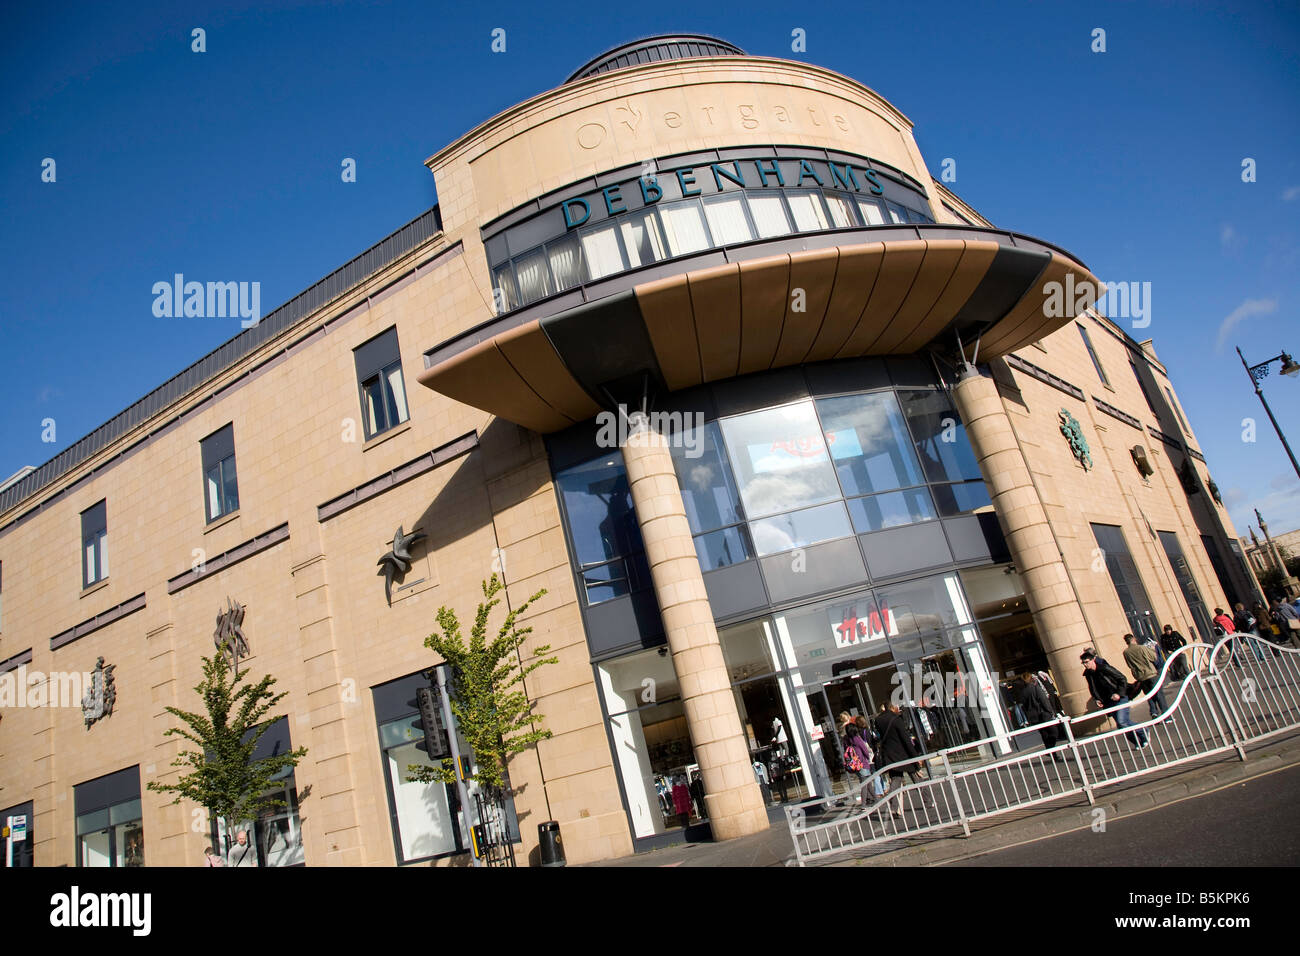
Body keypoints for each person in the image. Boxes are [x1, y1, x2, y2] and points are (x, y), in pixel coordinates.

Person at [1080, 647, 1148, 749]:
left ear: (1093, 660)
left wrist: (1119, 693)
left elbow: (1122, 678)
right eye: (1083, 663)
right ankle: (1137, 742)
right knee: (1122, 724)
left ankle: (1143, 731)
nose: (1085, 665)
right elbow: (1093, 688)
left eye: (1087, 662)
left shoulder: (1104, 668)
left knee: (1121, 722)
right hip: (1108, 701)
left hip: (1120, 698)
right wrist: (1097, 699)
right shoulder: (1089, 674)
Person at [875, 703, 930, 818]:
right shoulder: (896, 720)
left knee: (896, 779)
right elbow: (906, 740)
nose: (898, 709)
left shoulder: (878, 720)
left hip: (890, 755)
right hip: (904, 754)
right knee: (916, 776)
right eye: (896, 707)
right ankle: (928, 801)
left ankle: (894, 806)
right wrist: (916, 757)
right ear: (892, 707)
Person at [1020, 673, 1064, 760]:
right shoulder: (1036, 688)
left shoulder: (1023, 692)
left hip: (1034, 717)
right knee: (1054, 732)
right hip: (1043, 714)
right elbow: (1044, 701)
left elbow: (1023, 706)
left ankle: (1053, 754)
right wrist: (1051, 711)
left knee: (1044, 734)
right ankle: (1050, 749)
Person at [1122, 633, 1167, 719]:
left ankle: (1154, 712)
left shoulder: (1126, 653)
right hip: (1151, 673)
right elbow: (1154, 657)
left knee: (1149, 695)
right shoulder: (1142, 648)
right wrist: (1153, 649)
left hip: (1140, 676)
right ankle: (1166, 715)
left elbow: (1129, 665)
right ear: (1133, 639)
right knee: (1159, 695)